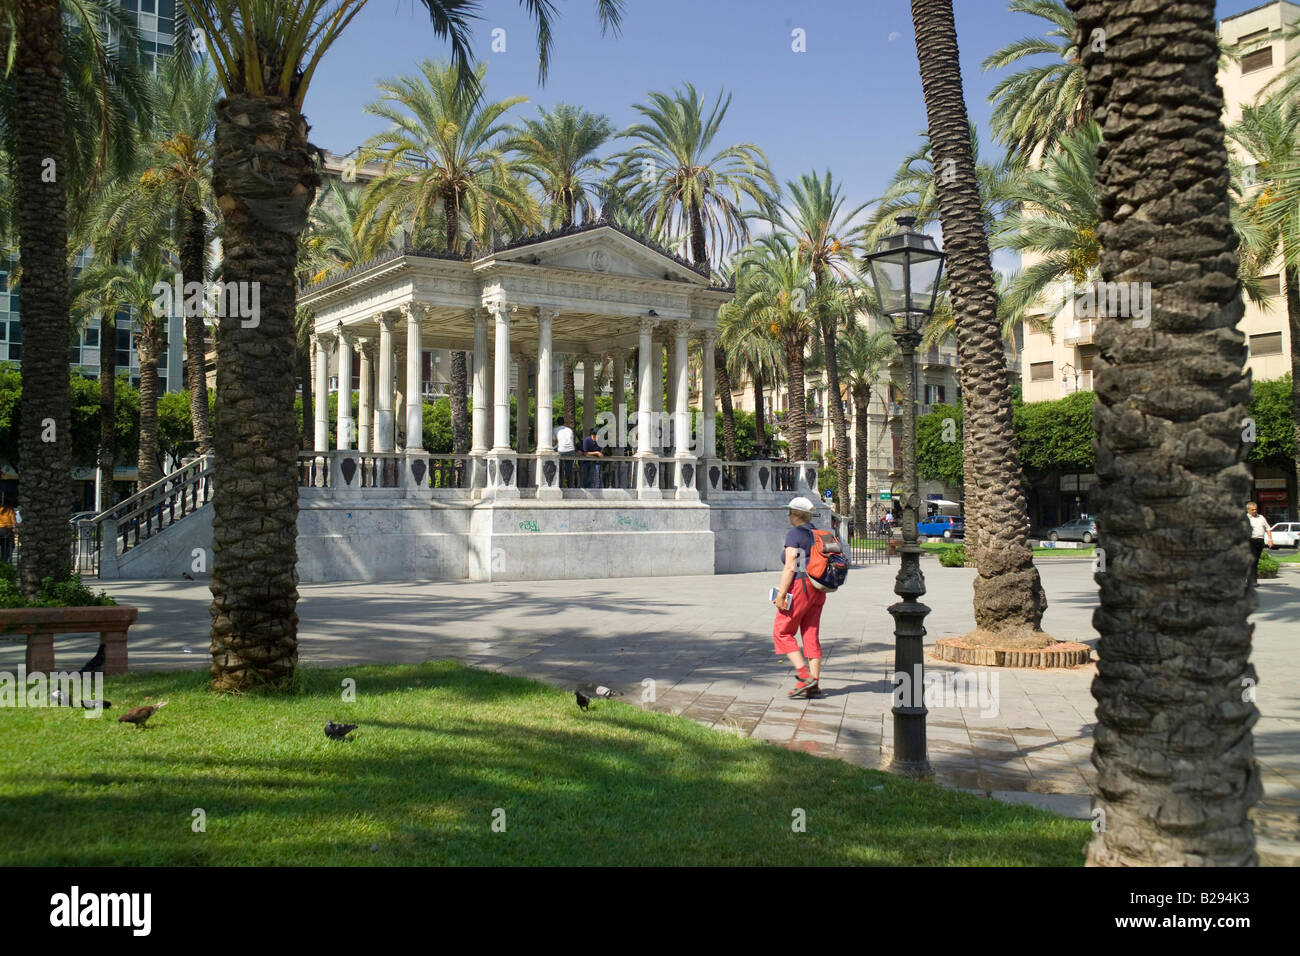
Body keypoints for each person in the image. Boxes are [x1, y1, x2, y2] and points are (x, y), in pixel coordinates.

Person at [773, 496, 825, 699]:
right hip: (818, 588)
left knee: (782, 632)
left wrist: (782, 594)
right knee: (811, 634)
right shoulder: (818, 533)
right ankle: (815, 684)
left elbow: (790, 566)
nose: (788, 516)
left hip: (800, 586)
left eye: (790, 512)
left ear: (796, 514)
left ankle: (805, 676)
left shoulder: (795, 534)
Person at [1247, 501, 1273, 587]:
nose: (1254, 511)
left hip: (1260, 541)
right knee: (1252, 561)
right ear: (1248, 510)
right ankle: (1252, 581)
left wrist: (1270, 539)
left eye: (1255, 509)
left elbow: (1268, 528)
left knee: (1256, 561)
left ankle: (1251, 580)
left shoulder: (1261, 517)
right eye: (1252, 510)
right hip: (1250, 541)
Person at [555, 418, 576, 486]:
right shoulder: (569, 430)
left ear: (557, 423)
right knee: (569, 469)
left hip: (561, 451)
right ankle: (569, 484)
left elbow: (553, 442)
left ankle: (559, 483)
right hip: (571, 450)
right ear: (564, 423)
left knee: (559, 467)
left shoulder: (555, 429)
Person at [0, 497, 15, 564]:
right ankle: (5, 560)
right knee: (10, 545)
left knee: (3, 546)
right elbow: (13, 521)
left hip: (0, 529)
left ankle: (3, 560)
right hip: (8, 530)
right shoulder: (10, 510)